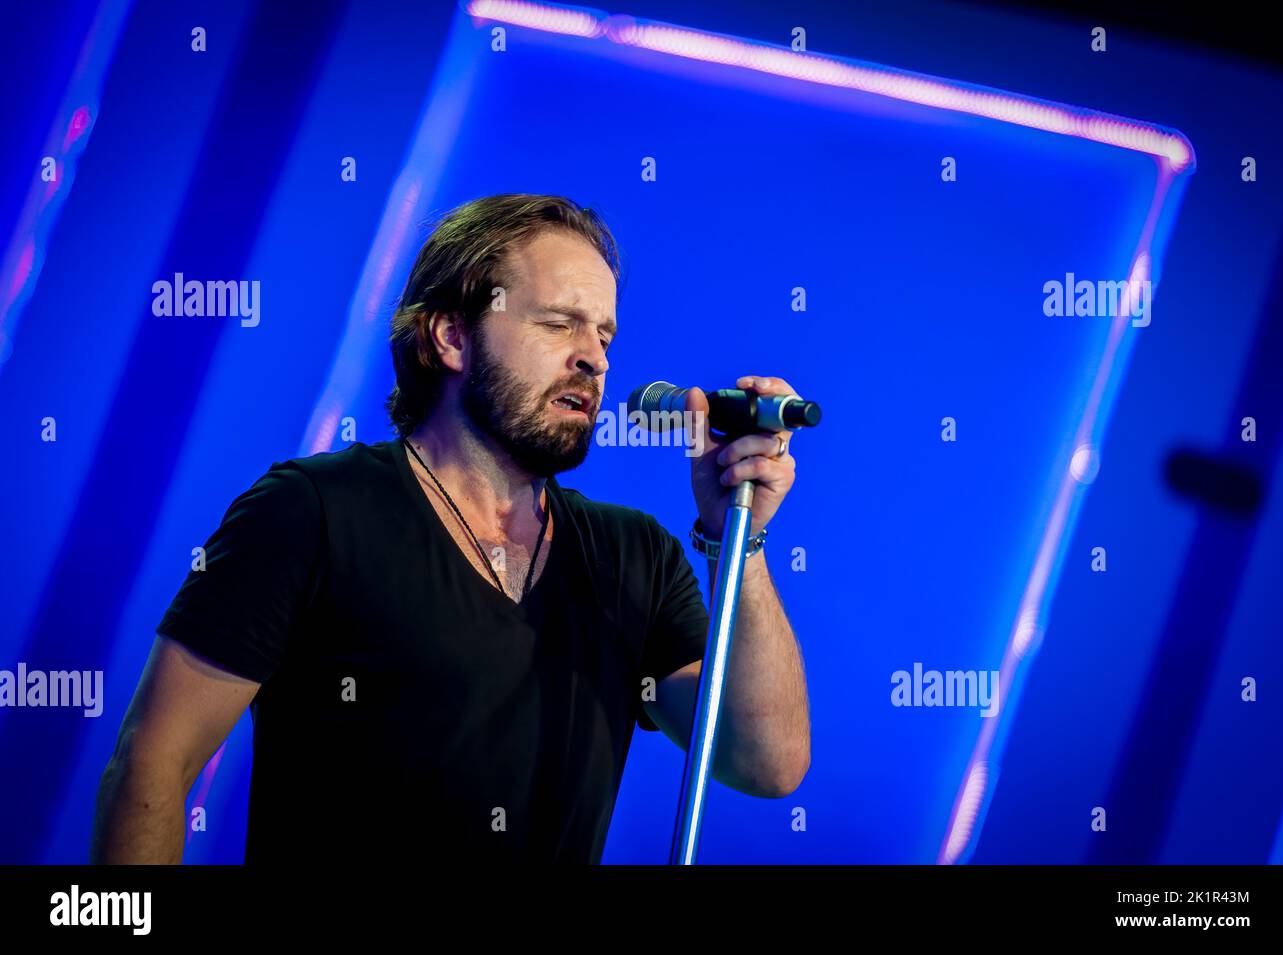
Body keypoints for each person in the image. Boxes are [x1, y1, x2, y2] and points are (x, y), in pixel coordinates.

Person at [91, 194, 810, 864]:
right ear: (451, 336)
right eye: (559, 322)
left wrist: (737, 539)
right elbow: (153, 764)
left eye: (604, 332)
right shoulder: (311, 512)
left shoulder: (635, 556)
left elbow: (766, 760)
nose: (595, 356)